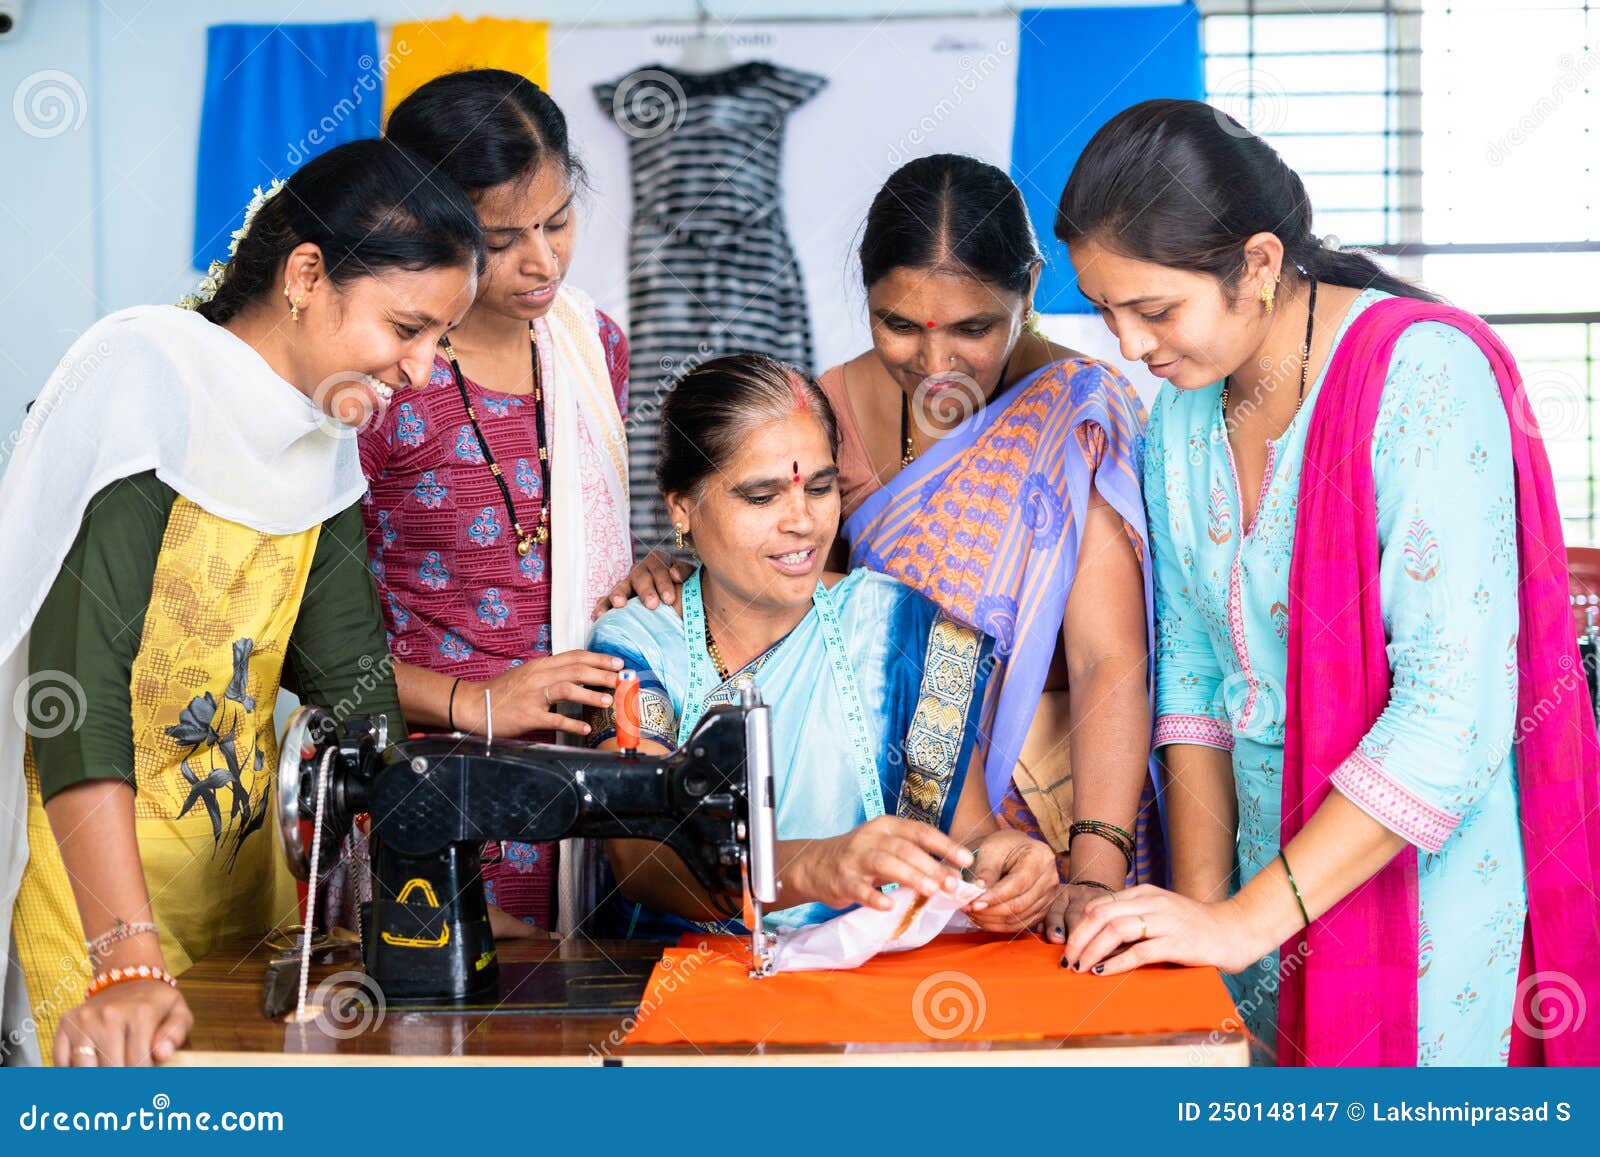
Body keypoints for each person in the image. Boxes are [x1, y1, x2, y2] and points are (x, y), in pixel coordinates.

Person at [1057, 98, 1600, 1066]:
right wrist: (1205, 917)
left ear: (1258, 263)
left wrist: (1242, 920)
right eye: (1105, 311)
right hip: (1254, 887)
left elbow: (1451, 710)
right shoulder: (1183, 415)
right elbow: (1192, 680)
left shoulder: (1422, 373)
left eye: (1152, 308)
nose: (1128, 346)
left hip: (1424, 890)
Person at [0, 138, 484, 1065]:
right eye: (407, 327)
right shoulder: (144, 374)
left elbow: (351, 682)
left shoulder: (323, 429)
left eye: (441, 341)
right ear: (308, 274)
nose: (422, 373)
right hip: (95, 898)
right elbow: (73, 686)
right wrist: (123, 954)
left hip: (240, 892)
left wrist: (426, 893)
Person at [599, 157, 1161, 942]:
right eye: (899, 325)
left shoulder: (1076, 415)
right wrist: (685, 571)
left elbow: (1109, 660)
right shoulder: (827, 409)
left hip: (1067, 801)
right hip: (865, 825)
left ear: (1028, 291)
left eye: (973, 327)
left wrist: (1090, 869)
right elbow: (793, 602)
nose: (936, 364)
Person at [585, 354, 1058, 935]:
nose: (803, 521)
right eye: (761, 497)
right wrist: (817, 865)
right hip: (677, 993)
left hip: (869, 987)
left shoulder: (896, 625)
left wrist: (1005, 866)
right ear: (682, 508)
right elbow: (644, 861)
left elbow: (972, 839)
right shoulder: (634, 647)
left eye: (821, 486)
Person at [372, 70, 635, 933]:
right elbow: (306, 645)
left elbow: (589, 547)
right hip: (430, 796)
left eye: (557, 221)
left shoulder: (592, 347)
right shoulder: (380, 379)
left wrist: (651, 575)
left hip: (584, 790)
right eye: (502, 237)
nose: (544, 260)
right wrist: (478, 704)